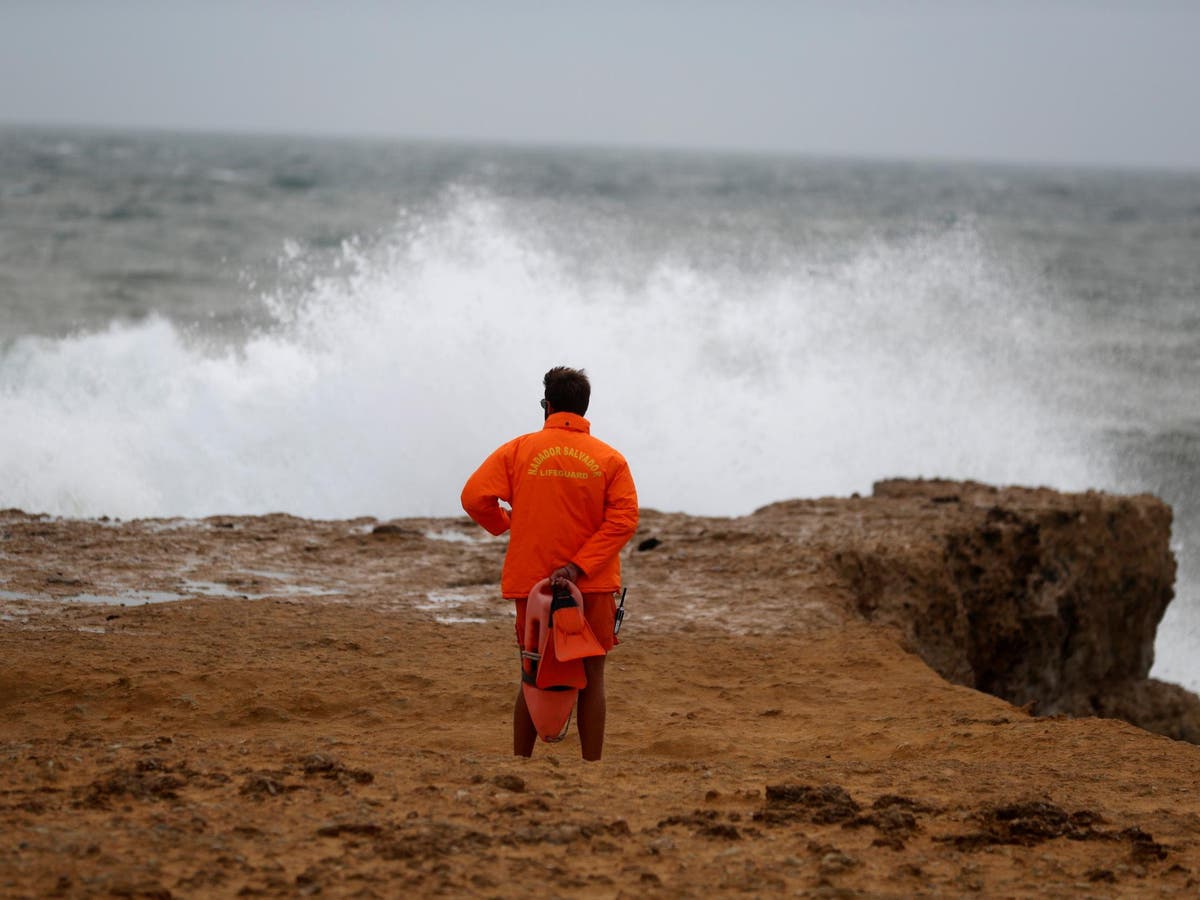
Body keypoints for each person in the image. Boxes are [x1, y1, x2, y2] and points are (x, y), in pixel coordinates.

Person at [461, 366, 638, 761]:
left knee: (532, 671)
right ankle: (592, 767)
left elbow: (474, 497)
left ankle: (521, 763)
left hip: (535, 583)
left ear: (548, 406)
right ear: (584, 408)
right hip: (590, 584)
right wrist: (578, 567)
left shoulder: (519, 450)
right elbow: (624, 520)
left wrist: (504, 523)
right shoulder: (610, 459)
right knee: (592, 680)